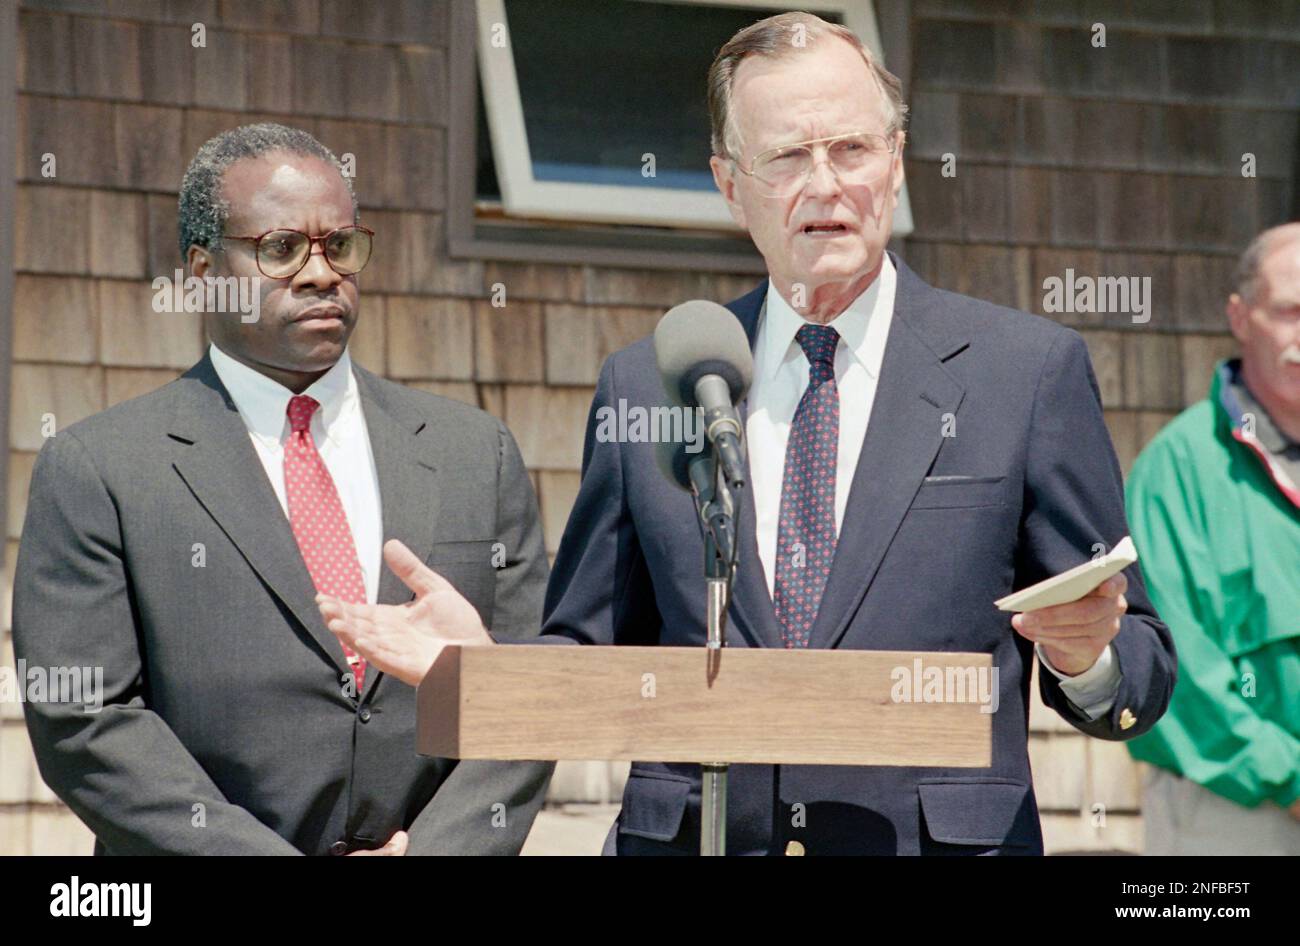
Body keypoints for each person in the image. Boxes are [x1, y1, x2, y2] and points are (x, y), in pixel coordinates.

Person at [320, 13, 1176, 855]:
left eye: (851, 149)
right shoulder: (650, 381)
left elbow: (1139, 668)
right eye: (786, 157)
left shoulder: (1023, 374)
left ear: (898, 163)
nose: (826, 184)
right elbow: (590, 647)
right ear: (730, 186)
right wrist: (488, 671)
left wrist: (1087, 657)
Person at [12, 123, 554, 855]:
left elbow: (531, 689)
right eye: (281, 249)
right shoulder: (101, 468)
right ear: (203, 271)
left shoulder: (474, 454)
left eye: (340, 246)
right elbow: (86, 720)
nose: (320, 272)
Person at [1125, 223, 1300, 855]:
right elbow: (1177, 671)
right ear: (1240, 316)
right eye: (1289, 311)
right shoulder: (1179, 469)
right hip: (1233, 812)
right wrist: (1291, 775)